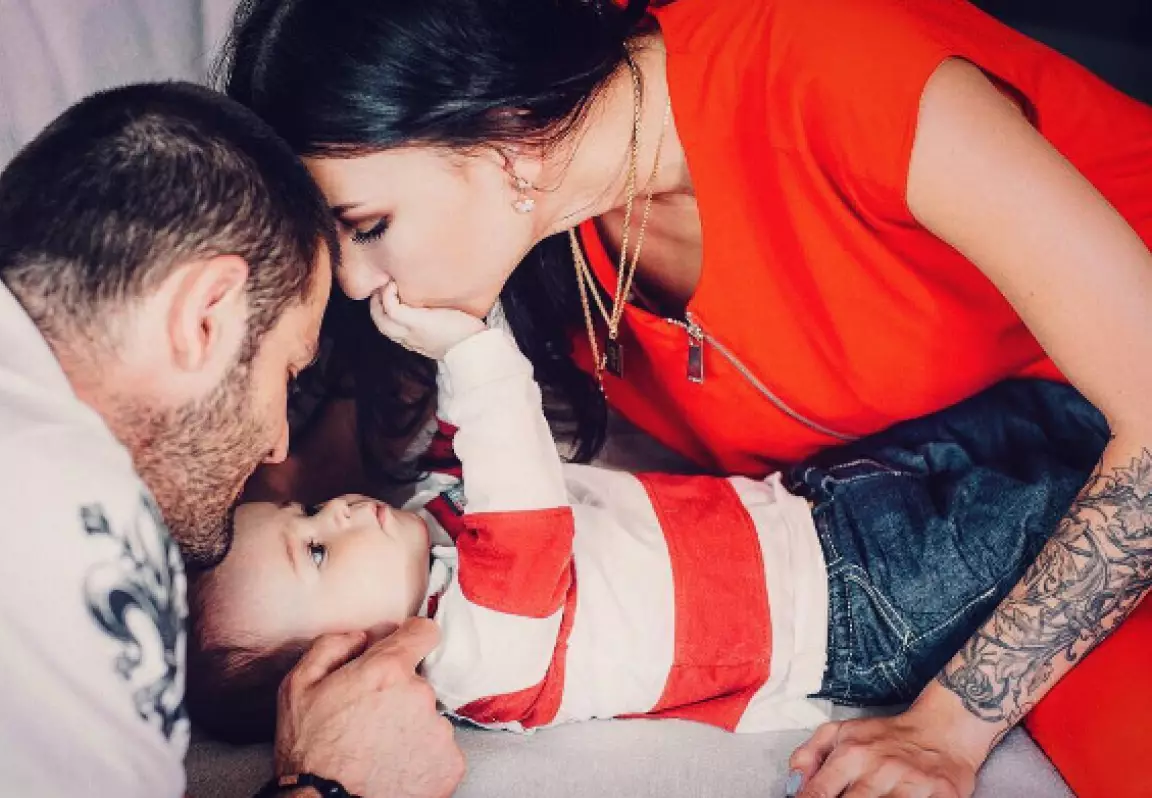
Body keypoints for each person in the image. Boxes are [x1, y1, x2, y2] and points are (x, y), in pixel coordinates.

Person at [221, 0, 1152, 795]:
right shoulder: (546, 257)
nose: (354, 281)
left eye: (368, 226)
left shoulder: (824, 64)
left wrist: (948, 729)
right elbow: (307, 503)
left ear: (498, 124)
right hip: (945, 481)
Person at [187, 291, 1106, 763]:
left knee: (1039, 410)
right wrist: (468, 344)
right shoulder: (478, 659)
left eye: (306, 510)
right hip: (862, 610)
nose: (337, 510)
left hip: (817, 506)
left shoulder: (424, 527)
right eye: (316, 547)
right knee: (1064, 519)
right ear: (351, 666)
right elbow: (522, 499)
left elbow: (483, 448)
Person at [0, 82, 463, 798]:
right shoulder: (69, 515)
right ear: (206, 316)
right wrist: (334, 783)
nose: (277, 445)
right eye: (286, 372)